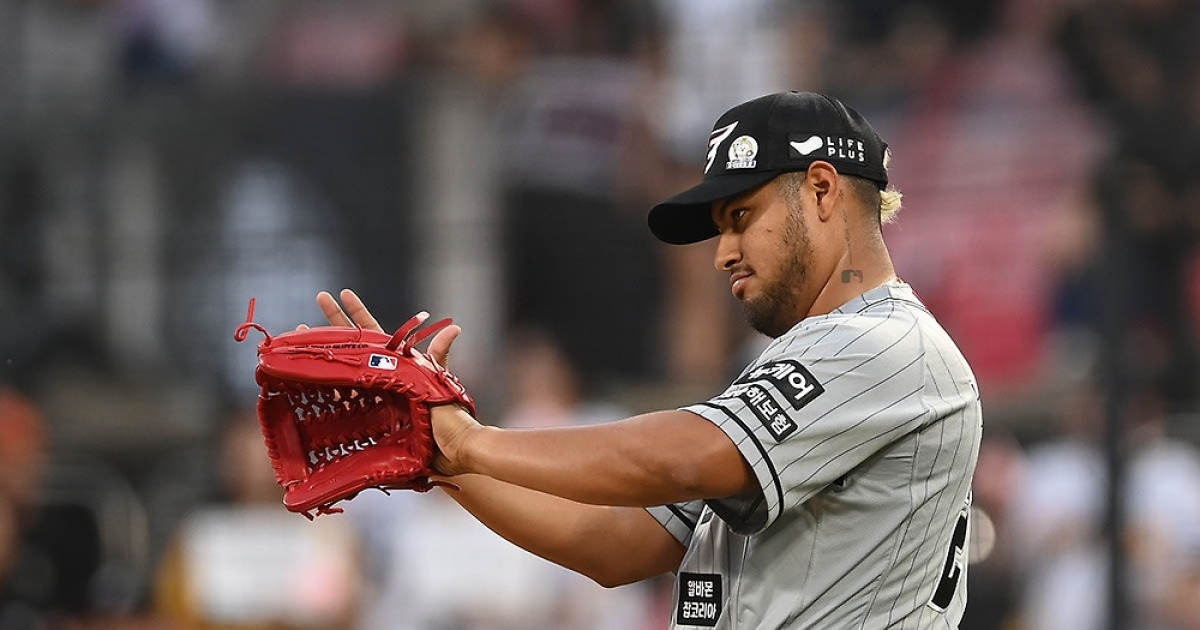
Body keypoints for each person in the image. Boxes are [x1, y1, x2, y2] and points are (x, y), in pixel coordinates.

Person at [313, 91, 982, 628]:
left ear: (822, 190)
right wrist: (438, 454)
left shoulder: (890, 345)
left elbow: (685, 454)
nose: (722, 252)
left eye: (742, 215)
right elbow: (617, 543)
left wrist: (472, 442)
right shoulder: (816, 359)